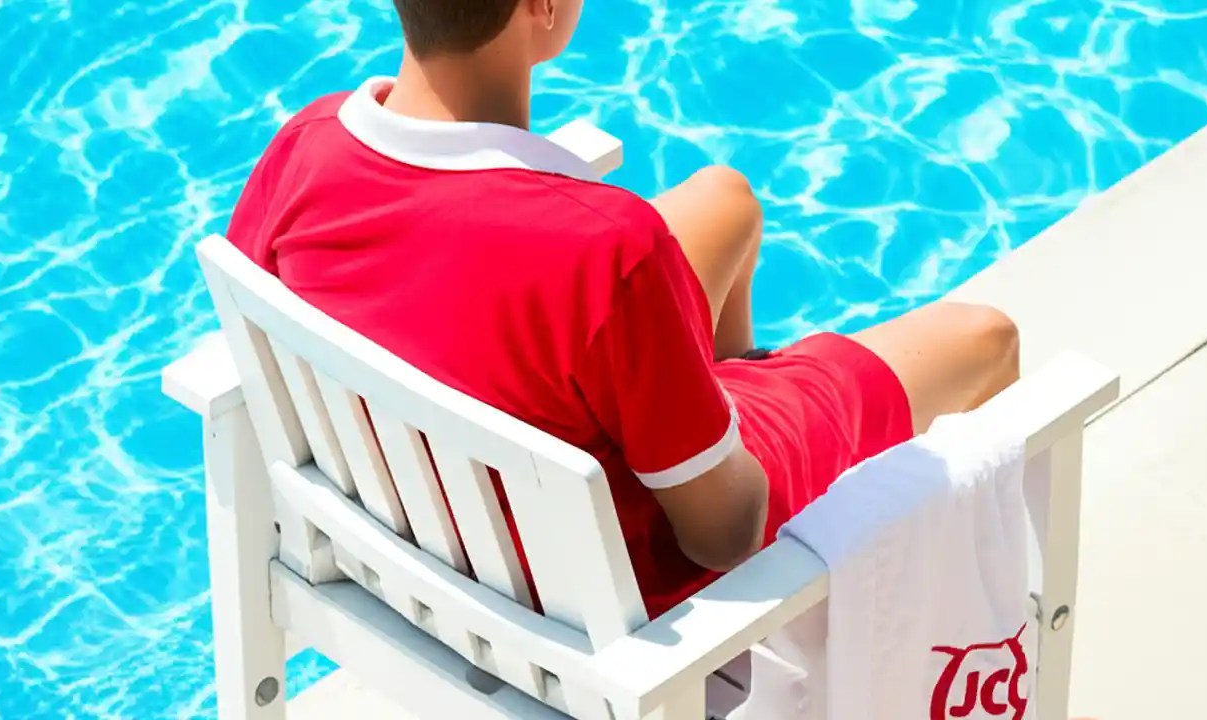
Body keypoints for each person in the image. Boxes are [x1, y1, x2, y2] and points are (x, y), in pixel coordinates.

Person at [226, 0, 1020, 620]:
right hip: (606, 581)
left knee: (725, 200)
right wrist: (721, 416)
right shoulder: (606, 248)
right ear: (540, 7)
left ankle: (690, 424)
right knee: (984, 338)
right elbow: (723, 533)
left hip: (433, 523)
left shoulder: (306, 146)